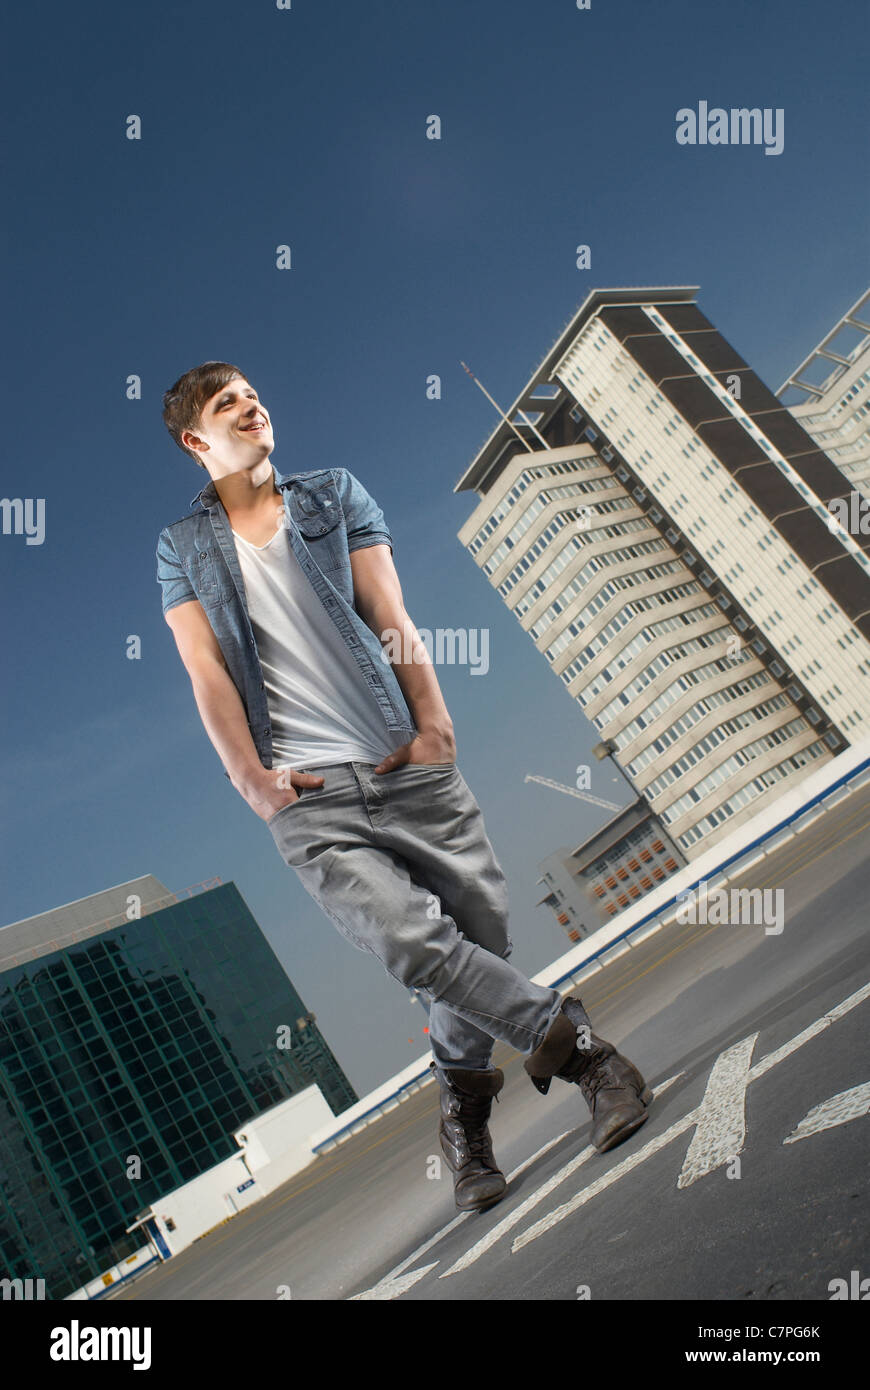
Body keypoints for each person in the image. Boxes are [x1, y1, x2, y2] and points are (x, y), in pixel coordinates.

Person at [155, 360, 653, 1213]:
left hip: (402, 759)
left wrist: (435, 726)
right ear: (197, 440)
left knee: (480, 942)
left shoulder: (332, 494)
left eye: (253, 392)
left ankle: (463, 1114)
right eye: (227, 402)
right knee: (412, 944)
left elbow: (389, 612)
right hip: (310, 797)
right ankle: (588, 1058)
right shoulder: (184, 548)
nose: (252, 404)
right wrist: (251, 780)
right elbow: (206, 674)